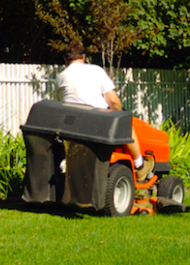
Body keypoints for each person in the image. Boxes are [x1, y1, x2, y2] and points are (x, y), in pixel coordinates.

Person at [55, 42, 154, 179]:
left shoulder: (60, 78)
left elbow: (62, 105)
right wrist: (120, 114)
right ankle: (140, 166)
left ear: (65, 60)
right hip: (97, 123)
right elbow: (113, 101)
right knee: (126, 123)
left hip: (73, 127)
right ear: (83, 58)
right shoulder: (95, 70)